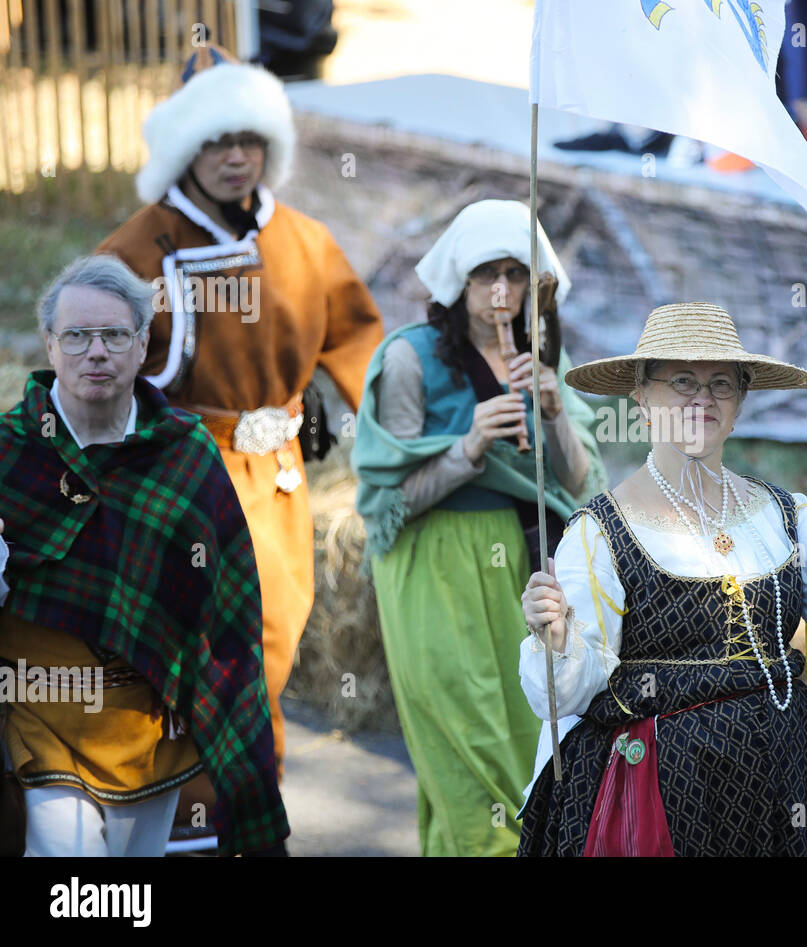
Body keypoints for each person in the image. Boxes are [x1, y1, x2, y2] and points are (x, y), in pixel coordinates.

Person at [517, 301, 807, 856]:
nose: (702, 399)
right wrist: (559, 642)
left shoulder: (782, 515)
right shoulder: (599, 532)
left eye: (721, 384)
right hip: (661, 792)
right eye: (682, 381)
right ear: (642, 401)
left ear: (738, 406)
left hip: (782, 783)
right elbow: (569, 691)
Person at [96, 43, 385, 787]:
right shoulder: (138, 249)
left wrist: (379, 428)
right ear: (185, 147)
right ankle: (212, 818)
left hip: (279, 481)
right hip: (184, 478)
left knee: (272, 643)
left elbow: (357, 336)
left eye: (250, 139)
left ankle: (247, 812)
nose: (236, 156)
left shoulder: (299, 238)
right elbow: (88, 368)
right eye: (217, 140)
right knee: (206, 658)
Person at [0, 255, 286, 856]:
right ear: (50, 346)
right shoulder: (9, 450)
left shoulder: (184, 453)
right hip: (43, 706)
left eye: (114, 335)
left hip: (148, 721)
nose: (95, 351)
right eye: (77, 335)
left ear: (141, 344)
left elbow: (225, 612)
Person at [352, 199, 607, 856]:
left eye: (515, 274)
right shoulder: (410, 360)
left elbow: (580, 481)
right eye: (484, 275)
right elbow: (389, 499)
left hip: (522, 568)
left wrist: (551, 407)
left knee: (526, 748)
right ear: (456, 282)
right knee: (468, 751)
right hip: (434, 564)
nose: (500, 291)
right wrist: (467, 449)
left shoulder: (541, 354)